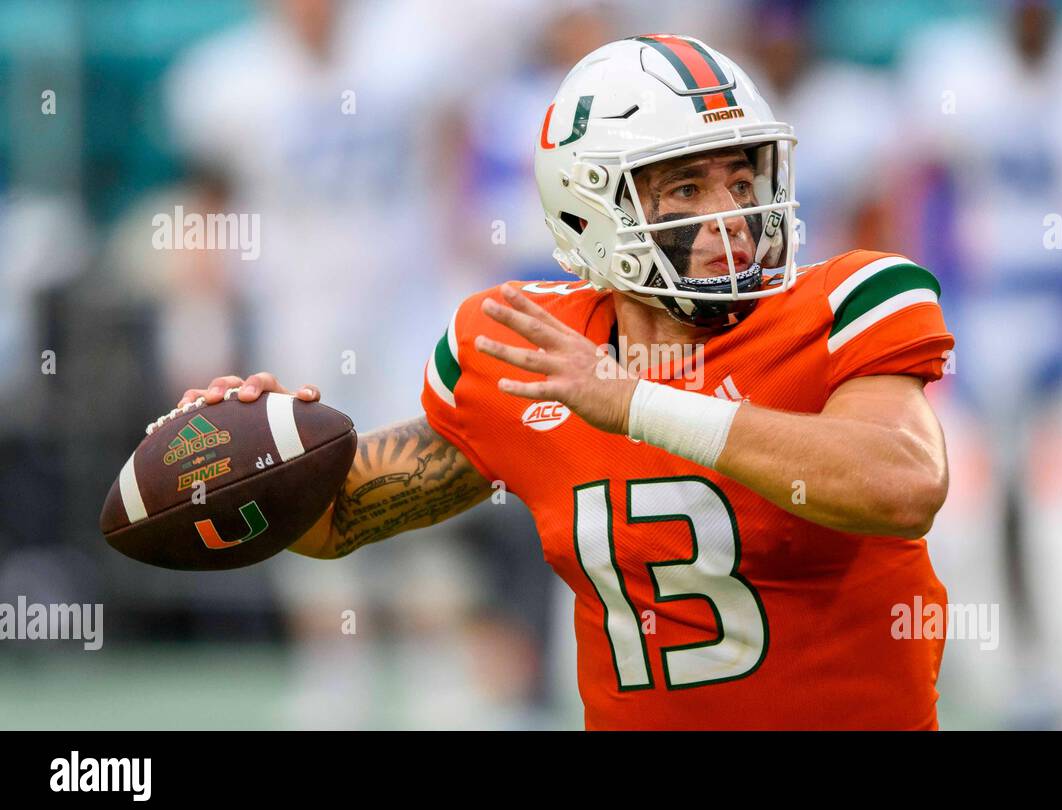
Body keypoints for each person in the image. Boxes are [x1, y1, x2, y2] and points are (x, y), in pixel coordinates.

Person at [169, 35, 956, 730]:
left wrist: (637, 401)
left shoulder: (849, 301)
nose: (733, 217)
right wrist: (247, 455)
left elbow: (903, 482)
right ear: (590, 209)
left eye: (742, 179)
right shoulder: (530, 347)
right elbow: (337, 520)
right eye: (686, 188)